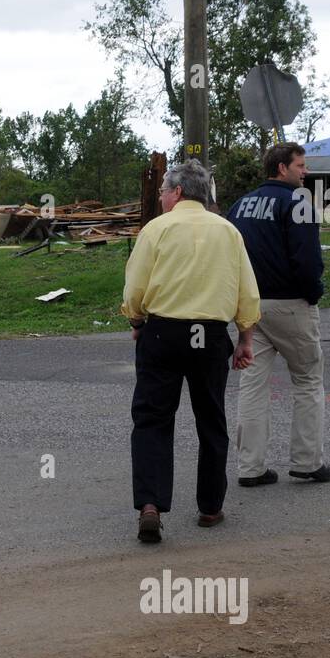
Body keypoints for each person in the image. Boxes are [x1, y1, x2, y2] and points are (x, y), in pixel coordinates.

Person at [121, 159, 261, 544]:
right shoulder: (229, 233)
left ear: (178, 191)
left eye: (164, 191)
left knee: (152, 419)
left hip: (164, 332)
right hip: (211, 335)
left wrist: (136, 323)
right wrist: (246, 338)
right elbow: (247, 291)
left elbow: (134, 288)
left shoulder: (156, 230)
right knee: (211, 419)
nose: (163, 197)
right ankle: (210, 506)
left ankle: (150, 504)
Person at [227, 142, 330, 487]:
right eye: (300, 166)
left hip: (250, 307)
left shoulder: (240, 205)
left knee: (253, 385)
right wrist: (313, 292)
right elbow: (307, 258)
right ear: (281, 168)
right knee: (307, 379)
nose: (306, 172)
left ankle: (250, 467)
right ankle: (306, 461)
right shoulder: (298, 203)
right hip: (290, 304)